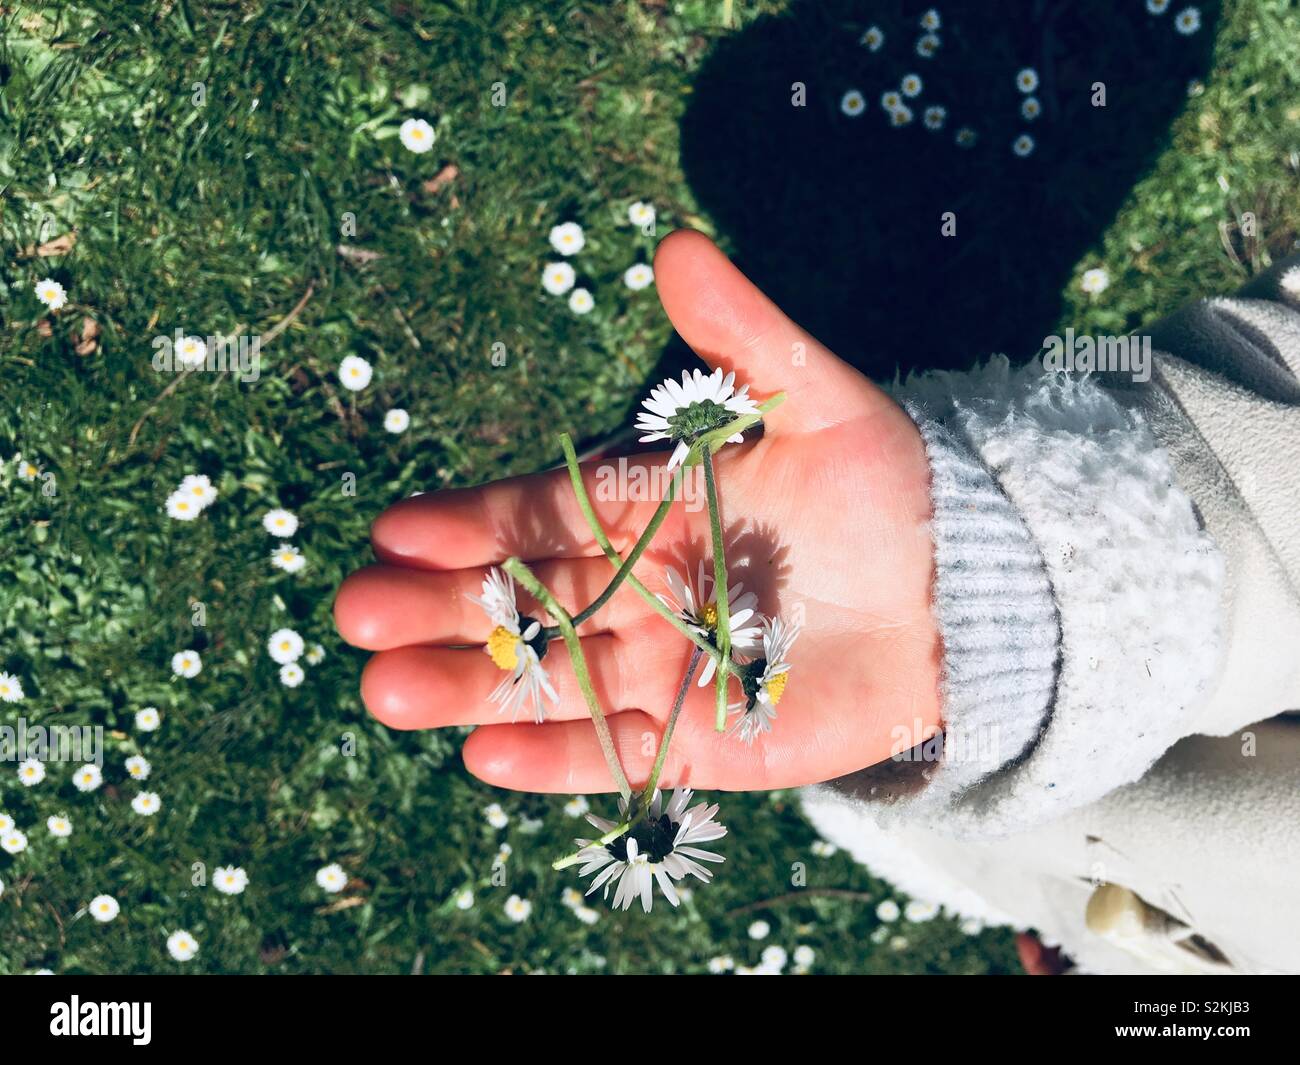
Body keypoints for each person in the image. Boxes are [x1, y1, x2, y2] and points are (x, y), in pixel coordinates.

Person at [334, 230, 1300, 975]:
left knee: (1026, 870)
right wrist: (1021, 582)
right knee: (1002, 840)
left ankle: (980, 864)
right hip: (1156, 736)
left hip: (1143, 899)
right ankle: (956, 833)